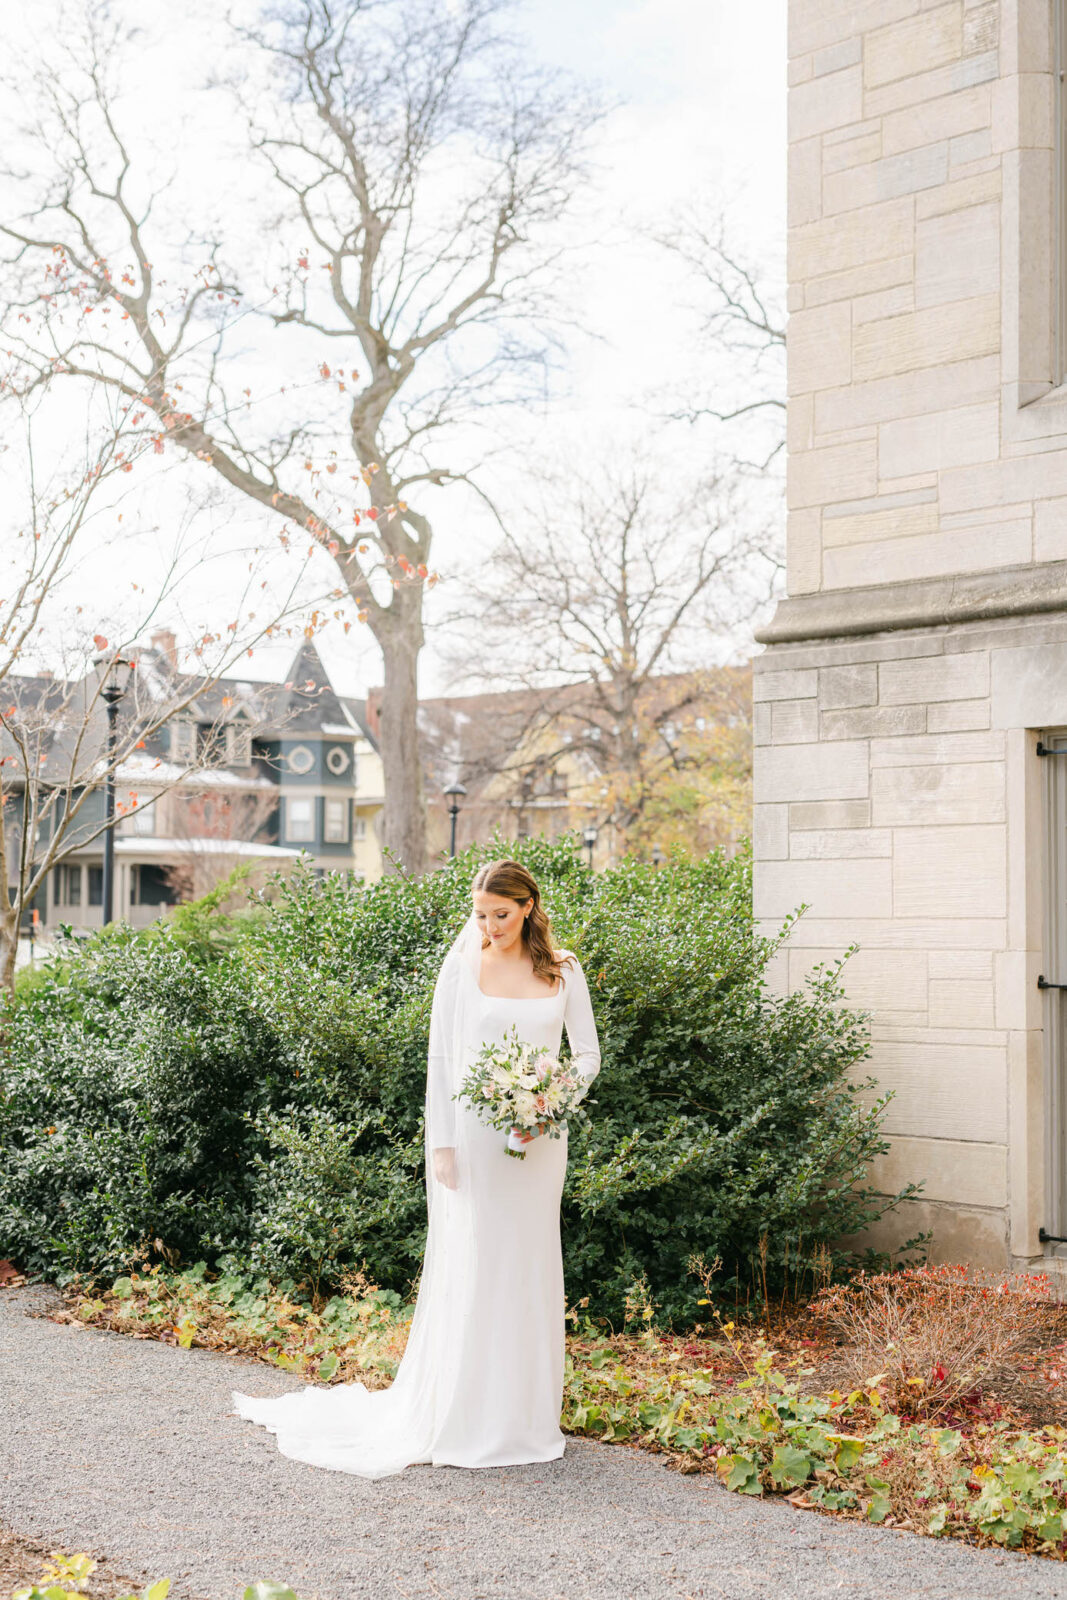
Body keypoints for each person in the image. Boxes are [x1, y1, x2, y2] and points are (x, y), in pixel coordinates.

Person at [232, 858, 601, 1477]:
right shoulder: (464, 964)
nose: (489, 926)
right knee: (481, 1262)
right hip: (478, 1138)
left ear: (529, 907)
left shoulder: (563, 971)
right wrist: (444, 1144)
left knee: (530, 1263)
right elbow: (442, 1058)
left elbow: (586, 1054)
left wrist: (551, 1099)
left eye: (501, 915)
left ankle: (524, 1418)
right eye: (481, 914)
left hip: (539, 1141)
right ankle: (467, 1414)